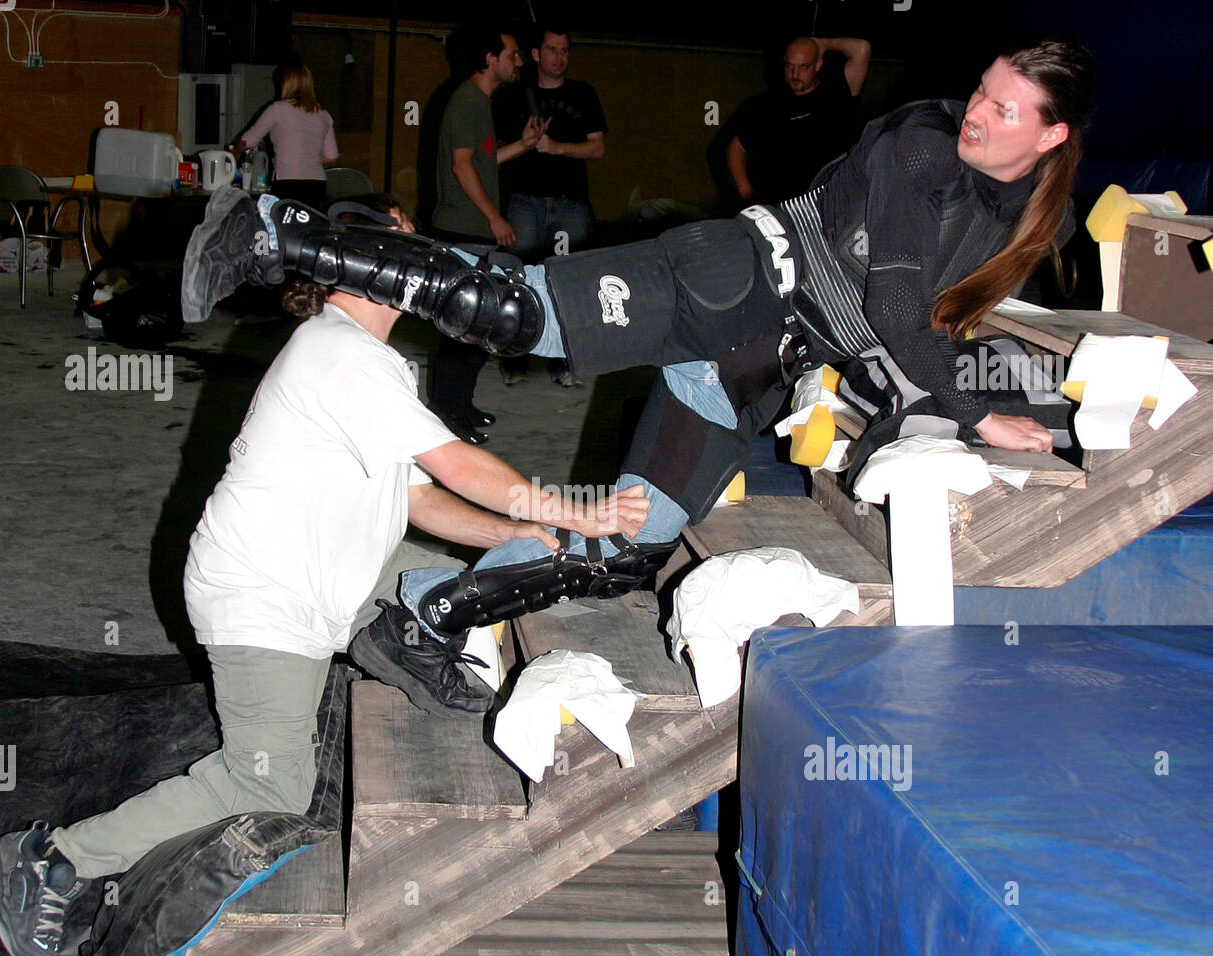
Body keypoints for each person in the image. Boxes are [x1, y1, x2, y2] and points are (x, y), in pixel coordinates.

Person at [182, 40, 1094, 684]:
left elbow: (879, 323)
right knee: (518, 310)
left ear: (1050, 138)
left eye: (1002, 109)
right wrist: (972, 412)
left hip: (747, 365)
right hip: (728, 277)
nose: (976, 111)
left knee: (625, 546)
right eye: (982, 89)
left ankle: (424, 612)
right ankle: (278, 233)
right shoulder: (925, 142)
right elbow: (895, 304)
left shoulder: (1005, 213)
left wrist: (954, 403)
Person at [0, 193, 650, 956]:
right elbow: (459, 468)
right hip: (264, 601)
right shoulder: (340, 355)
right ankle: (55, 858)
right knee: (269, 783)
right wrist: (577, 508)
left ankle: (389, 631)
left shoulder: (367, 360)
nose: (426, 266)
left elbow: (416, 499)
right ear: (363, 263)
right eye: (406, 247)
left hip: (329, 569)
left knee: (452, 582)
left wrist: (521, 534)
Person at [428, 22, 546, 444]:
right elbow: (462, 168)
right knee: (464, 327)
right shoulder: (467, 102)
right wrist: (495, 218)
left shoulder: (478, 103)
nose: (519, 62)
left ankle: (460, 406)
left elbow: (480, 162)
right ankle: (448, 416)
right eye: (512, 54)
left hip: (471, 229)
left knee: (476, 328)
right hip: (462, 230)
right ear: (489, 59)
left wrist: (523, 145)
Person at [495, 23, 607, 386]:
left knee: (567, 284)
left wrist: (557, 148)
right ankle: (515, 358)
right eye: (553, 50)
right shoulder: (514, 95)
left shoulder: (583, 94)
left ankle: (563, 361)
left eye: (565, 50)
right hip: (524, 203)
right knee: (519, 279)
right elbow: (490, 150)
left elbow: (598, 147)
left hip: (569, 205)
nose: (560, 57)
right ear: (536, 55)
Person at [727, 35, 872, 206]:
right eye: (790, 66)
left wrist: (824, 44)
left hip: (828, 201)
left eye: (803, 67)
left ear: (818, 64)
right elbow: (736, 147)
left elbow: (862, 49)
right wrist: (745, 190)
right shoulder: (766, 105)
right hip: (780, 206)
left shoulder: (837, 93)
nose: (795, 74)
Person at [233, 61, 337, 211]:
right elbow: (331, 156)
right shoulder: (323, 115)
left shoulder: (277, 109)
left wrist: (234, 153)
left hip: (287, 181)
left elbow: (248, 141)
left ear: (286, 83)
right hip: (317, 184)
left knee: (284, 225)